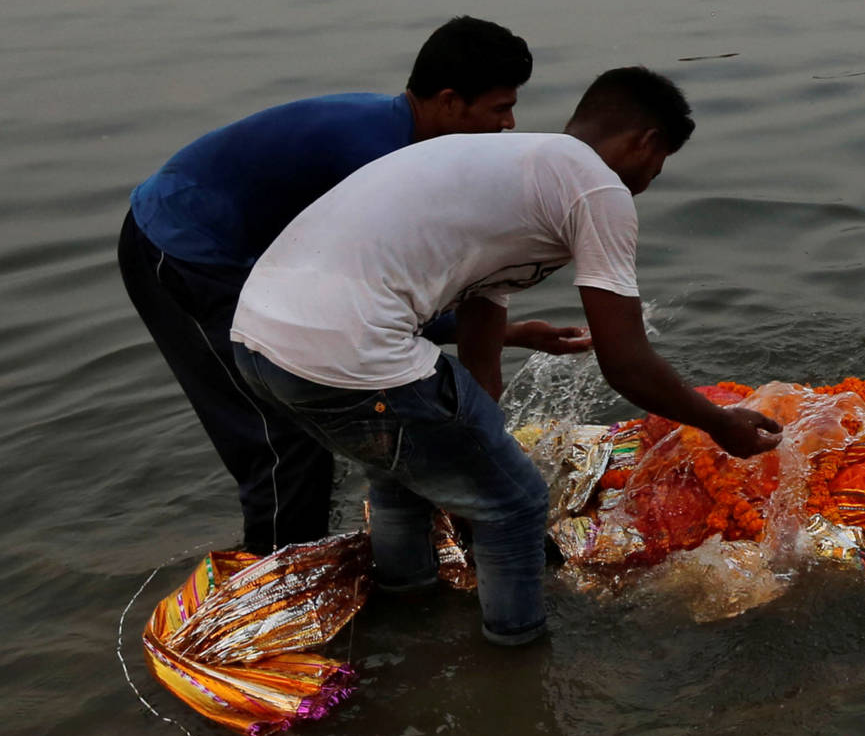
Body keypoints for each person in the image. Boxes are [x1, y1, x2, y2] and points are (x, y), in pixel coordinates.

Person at [229, 67, 785, 646]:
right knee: (516, 504)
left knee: (403, 473)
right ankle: (517, 664)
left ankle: (411, 620)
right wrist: (719, 423)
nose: (652, 178)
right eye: (660, 162)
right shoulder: (596, 188)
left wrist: (477, 435)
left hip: (256, 342)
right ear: (645, 142)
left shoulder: (507, 167)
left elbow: (480, 333)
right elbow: (625, 362)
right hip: (347, 352)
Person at [117, 18, 584, 556]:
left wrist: (512, 332)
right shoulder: (378, 161)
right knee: (278, 441)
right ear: (451, 101)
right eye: (500, 109)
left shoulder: (406, 142)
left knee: (328, 418)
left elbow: (383, 303)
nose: (511, 124)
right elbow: (369, 304)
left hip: (243, 256)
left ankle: (325, 558)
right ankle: (278, 593)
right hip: (182, 250)